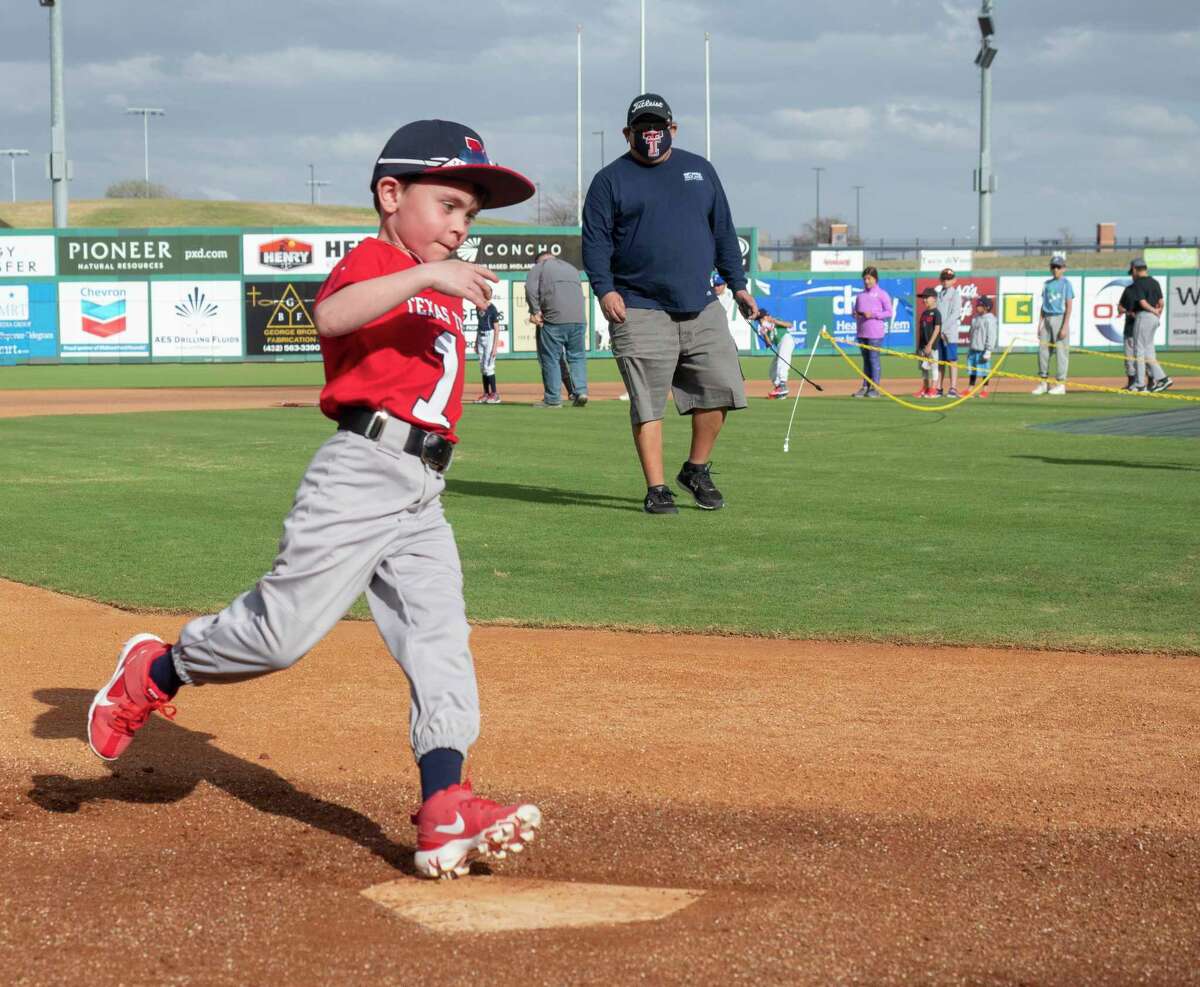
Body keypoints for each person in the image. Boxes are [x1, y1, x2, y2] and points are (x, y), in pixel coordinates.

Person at [85, 120, 543, 881]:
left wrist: (434, 278)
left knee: (439, 638)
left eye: (470, 213)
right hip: (361, 471)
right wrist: (427, 277)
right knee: (279, 639)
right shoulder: (376, 261)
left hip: (423, 489)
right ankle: (159, 669)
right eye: (448, 204)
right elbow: (330, 317)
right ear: (391, 194)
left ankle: (445, 803)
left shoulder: (431, 277)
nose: (461, 225)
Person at [582, 92, 756, 515]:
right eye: (642, 129)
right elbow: (596, 242)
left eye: (658, 127)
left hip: (701, 304)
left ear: (673, 129)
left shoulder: (700, 170)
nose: (651, 135)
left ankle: (695, 469)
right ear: (627, 134)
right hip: (638, 306)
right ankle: (656, 488)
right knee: (648, 403)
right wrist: (605, 289)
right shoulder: (609, 180)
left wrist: (738, 286)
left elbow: (723, 233)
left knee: (721, 389)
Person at [525, 251, 588, 408]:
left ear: (539, 261)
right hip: (579, 319)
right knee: (577, 357)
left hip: (555, 320)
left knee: (550, 358)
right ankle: (581, 392)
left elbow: (530, 289)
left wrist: (535, 311)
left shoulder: (540, 267)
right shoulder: (572, 268)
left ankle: (553, 399)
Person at [1032, 253, 1074, 395]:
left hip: (1059, 318)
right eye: (1053, 267)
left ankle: (1061, 384)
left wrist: (1065, 326)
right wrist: (1039, 324)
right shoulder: (1047, 284)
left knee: (1061, 353)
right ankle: (1043, 383)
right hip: (1047, 318)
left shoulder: (1066, 284)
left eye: (1058, 267)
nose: (1056, 269)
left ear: (1064, 268)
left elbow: (1069, 306)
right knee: (1042, 352)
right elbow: (1043, 305)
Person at [1129, 258, 1172, 393]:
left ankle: (1140, 385)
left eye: (1132, 271)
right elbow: (1161, 302)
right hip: (1154, 318)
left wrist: (1153, 311)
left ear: (1135, 269)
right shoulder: (1154, 282)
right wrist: (1157, 314)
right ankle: (1163, 379)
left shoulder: (1138, 283)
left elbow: (1142, 302)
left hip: (1144, 316)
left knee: (1139, 351)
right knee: (1148, 351)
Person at [852, 266, 893, 398]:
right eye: (865, 279)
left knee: (873, 359)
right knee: (866, 361)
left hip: (875, 333)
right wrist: (855, 314)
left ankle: (875, 387)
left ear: (875, 279)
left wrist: (874, 314)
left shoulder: (882, 294)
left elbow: (889, 312)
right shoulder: (860, 295)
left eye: (869, 278)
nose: (866, 281)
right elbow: (854, 312)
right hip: (862, 333)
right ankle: (865, 386)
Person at [752, 309, 796, 398]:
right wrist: (764, 334)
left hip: (786, 340)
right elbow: (769, 344)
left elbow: (790, 325)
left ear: (766, 316)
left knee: (781, 363)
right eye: (759, 320)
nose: (760, 321)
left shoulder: (775, 320)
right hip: (779, 346)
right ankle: (779, 390)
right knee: (772, 370)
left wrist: (775, 322)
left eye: (761, 319)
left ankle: (783, 385)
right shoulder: (764, 328)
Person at [935, 268, 962, 397]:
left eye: (949, 279)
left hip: (949, 333)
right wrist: (937, 329)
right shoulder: (939, 294)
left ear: (954, 280)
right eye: (944, 279)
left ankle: (953, 388)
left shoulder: (955, 294)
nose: (946, 281)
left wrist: (942, 328)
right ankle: (939, 387)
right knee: (940, 360)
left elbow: (955, 314)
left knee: (951, 360)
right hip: (938, 333)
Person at [967, 295, 999, 397]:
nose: (977, 307)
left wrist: (988, 350)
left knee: (984, 370)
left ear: (986, 307)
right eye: (977, 305)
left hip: (983, 350)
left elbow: (991, 335)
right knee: (972, 369)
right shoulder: (975, 318)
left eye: (980, 305)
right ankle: (970, 389)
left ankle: (985, 390)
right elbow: (971, 332)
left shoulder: (990, 319)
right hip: (973, 348)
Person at [473, 299, 503, 404]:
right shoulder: (478, 307)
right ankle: (486, 394)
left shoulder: (492, 309)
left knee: (489, 367)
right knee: (483, 367)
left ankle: (495, 394)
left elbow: (497, 328)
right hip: (480, 336)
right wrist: (476, 342)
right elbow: (479, 325)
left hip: (489, 336)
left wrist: (495, 347)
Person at [1116, 259, 1140, 390]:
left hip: (1142, 330)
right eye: (1131, 273)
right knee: (1129, 358)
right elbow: (1120, 307)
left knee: (1144, 357)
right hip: (1129, 328)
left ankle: (1150, 382)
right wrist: (1126, 311)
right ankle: (1131, 383)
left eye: (1133, 272)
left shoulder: (1148, 287)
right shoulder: (1129, 290)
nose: (1132, 275)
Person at [916, 286, 942, 398]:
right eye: (923, 297)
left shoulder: (936, 313)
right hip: (923, 346)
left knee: (934, 367)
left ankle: (933, 389)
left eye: (927, 297)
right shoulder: (924, 313)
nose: (924, 299)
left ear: (934, 298)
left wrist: (930, 344)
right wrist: (919, 346)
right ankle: (925, 388)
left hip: (932, 346)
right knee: (923, 367)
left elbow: (937, 329)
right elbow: (921, 331)